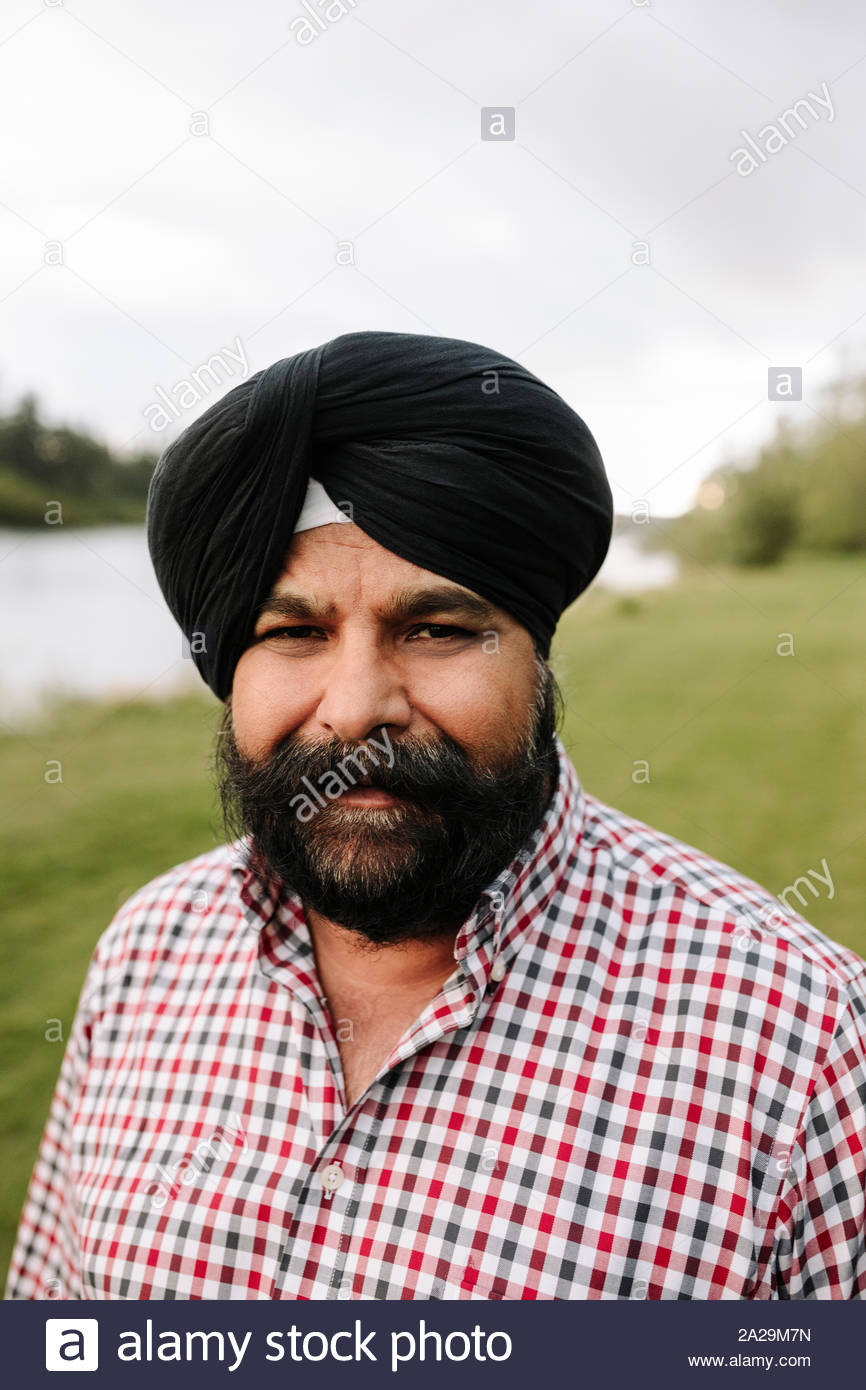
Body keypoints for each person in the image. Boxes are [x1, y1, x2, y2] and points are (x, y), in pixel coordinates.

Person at [7, 332, 865, 1301]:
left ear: (536, 660)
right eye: (293, 632)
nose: (357, 704)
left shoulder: (804, 1041)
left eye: (436, 629)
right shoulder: (148, 948)